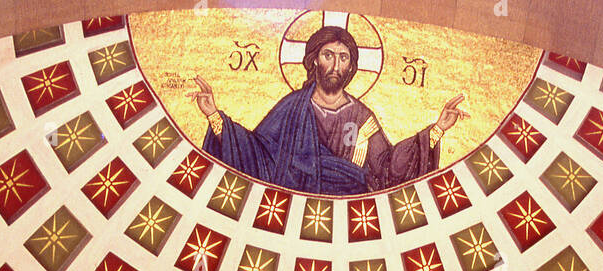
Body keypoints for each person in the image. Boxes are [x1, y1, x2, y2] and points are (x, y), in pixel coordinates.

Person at [191, 25, 467, 195]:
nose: (336, 65)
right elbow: (259, 154)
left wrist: (437, 130)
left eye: (344, 57)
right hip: (292, 212)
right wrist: (215, 117)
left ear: (351, 67)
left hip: (346, 217)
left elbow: (387, 169)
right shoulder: (292, 107)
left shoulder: (362, 118)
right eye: (328, 55)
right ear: (314, 61)